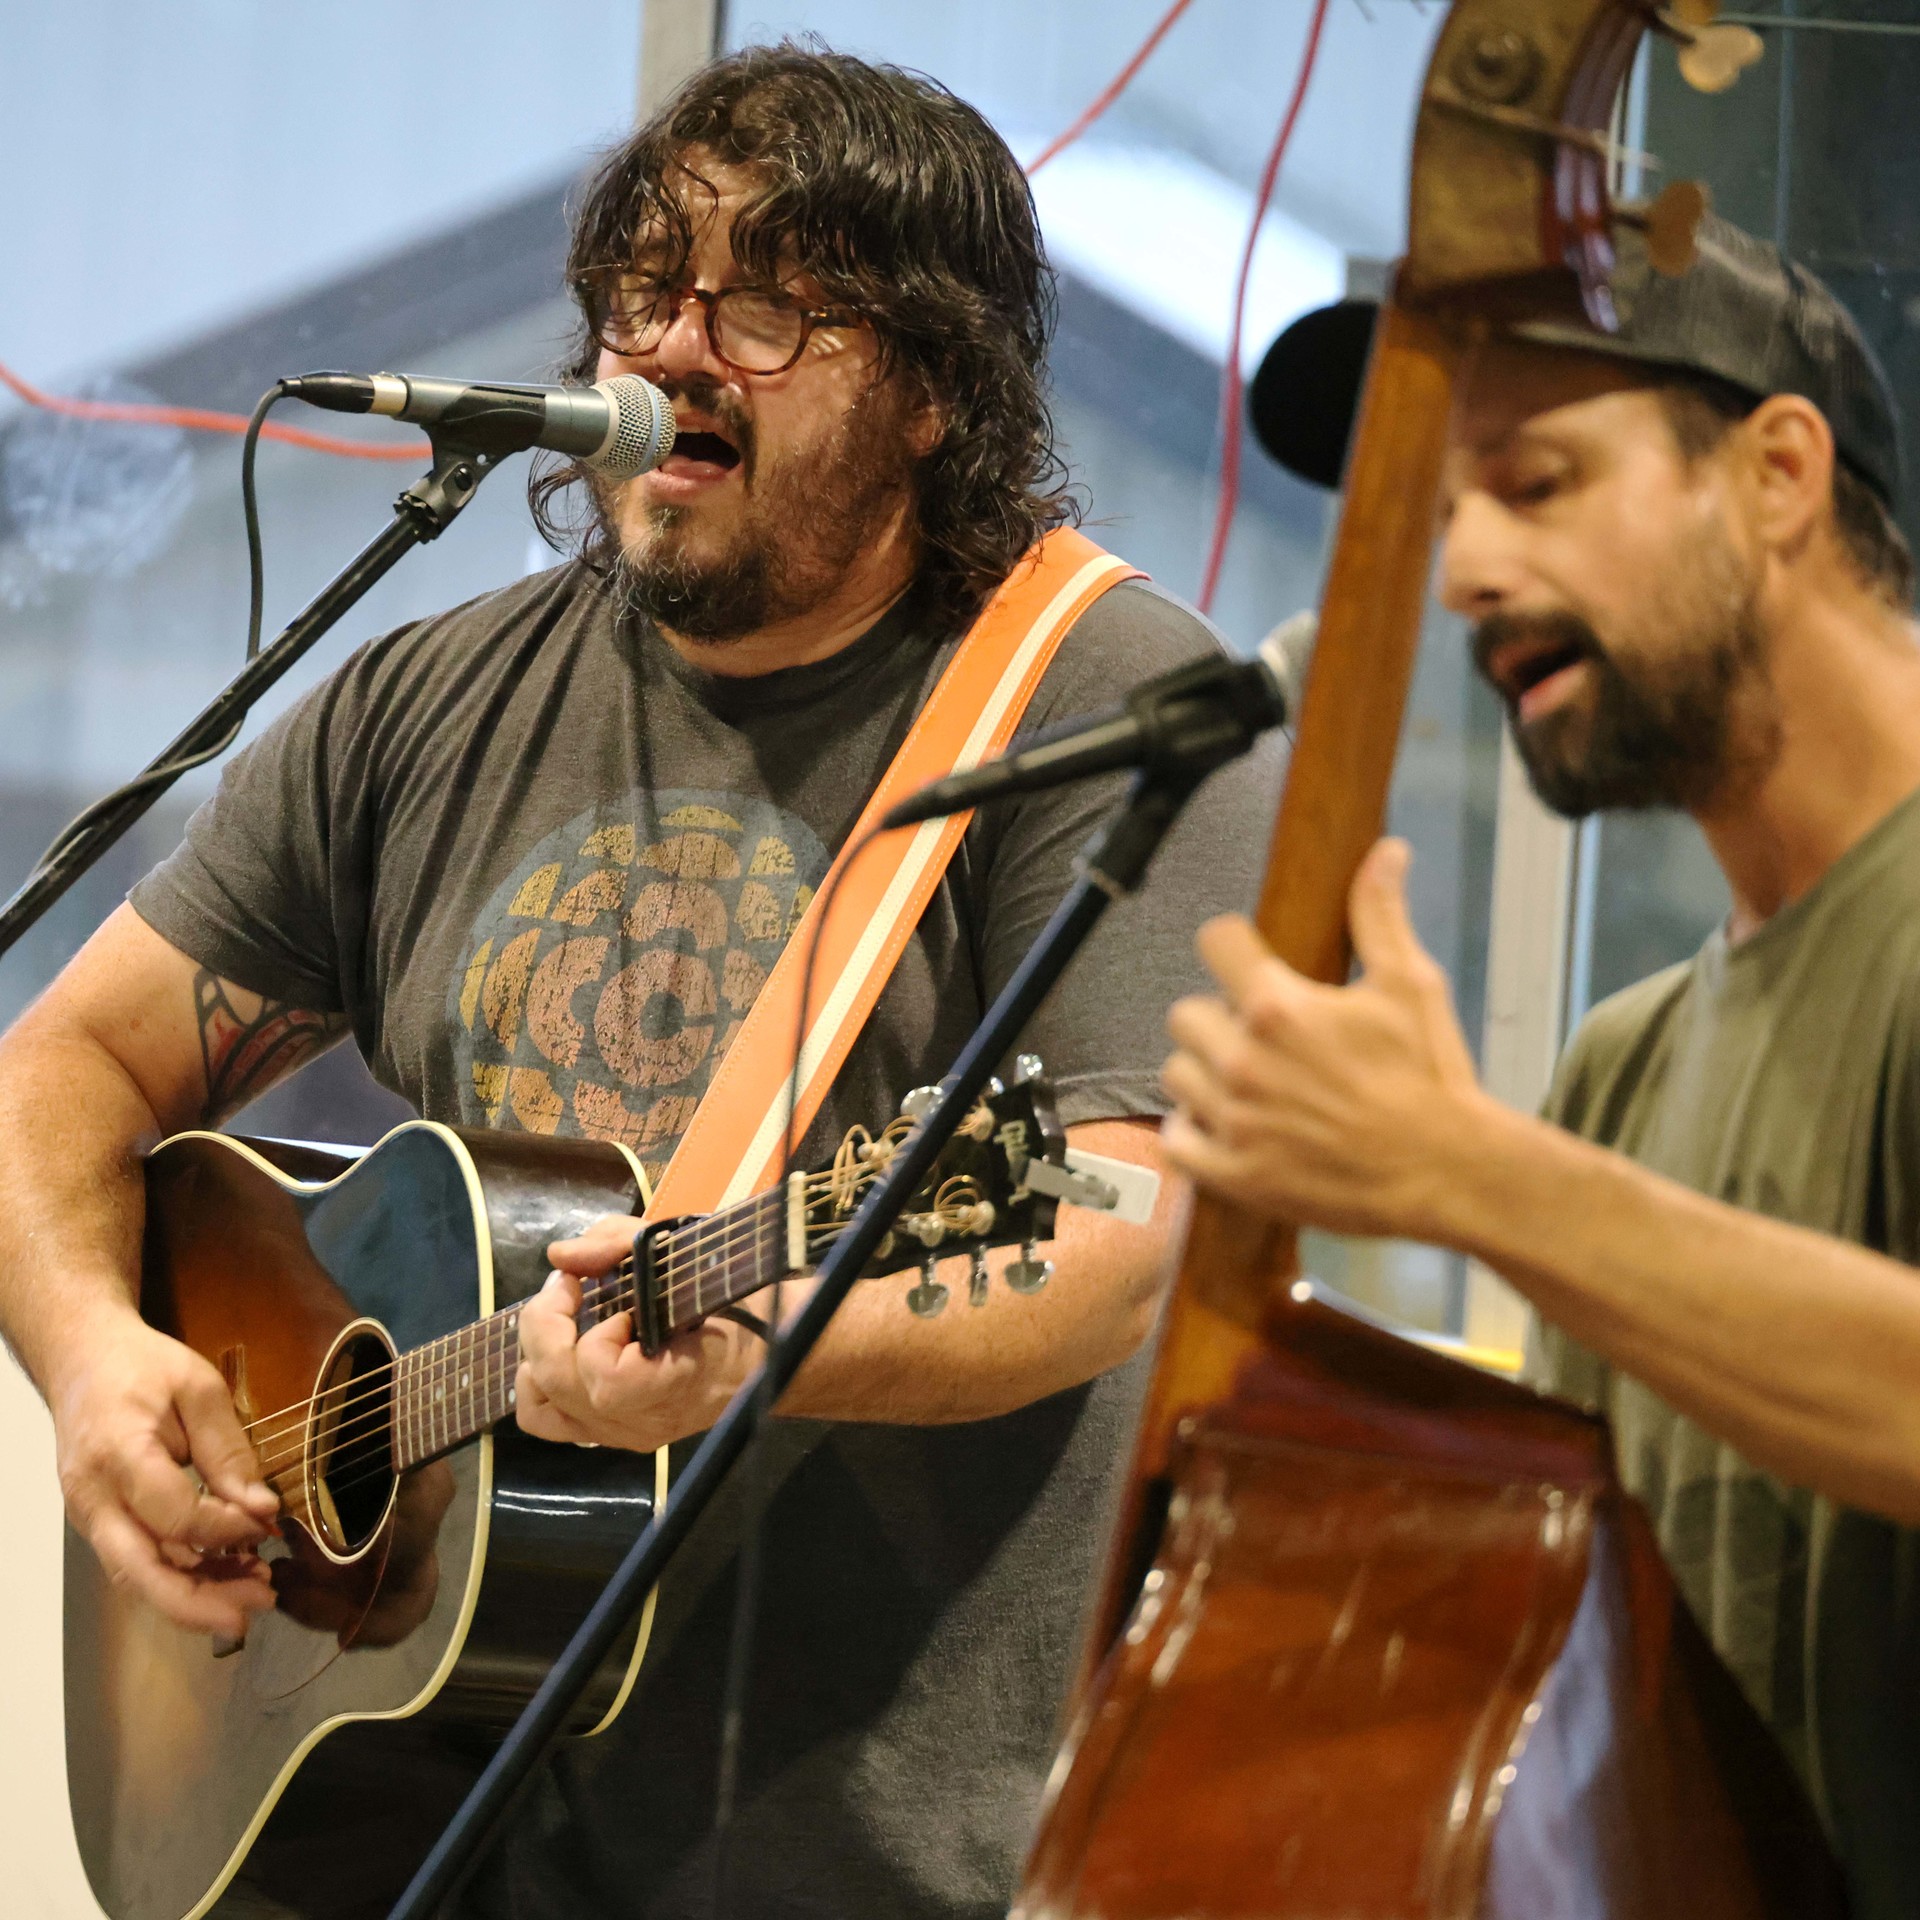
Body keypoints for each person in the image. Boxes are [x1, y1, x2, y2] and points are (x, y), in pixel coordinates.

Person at [0, 45, 1280, 1920]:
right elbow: (67, 1068)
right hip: (397, 1829)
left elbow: (1122, 1226)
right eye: (642, 294)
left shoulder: (1105, 710)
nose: (673, 349)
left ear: (931, 387)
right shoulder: (423, 700)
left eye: (763, 306)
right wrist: (96, 1362)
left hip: (852, 1864)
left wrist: (756, 1354)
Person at [1159, 215, 1920, 1916]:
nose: (1461, 575)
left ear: (1780, 474)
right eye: (1442, 516)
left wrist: (1465, 1169)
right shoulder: (1625, 1060)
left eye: (1538, 481)